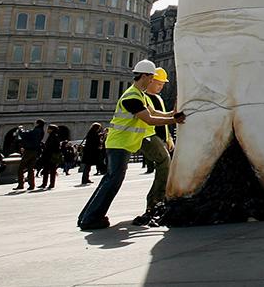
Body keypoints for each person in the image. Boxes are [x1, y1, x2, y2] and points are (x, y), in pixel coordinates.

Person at [77, 59, 185, 231]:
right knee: (113, 181)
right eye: (151, 78)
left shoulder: (139, 94)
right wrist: (174, 119)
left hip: (123, 144)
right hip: (119, 144)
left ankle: (86, 216)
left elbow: (154, 112)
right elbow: (148, 119)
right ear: (144, 76)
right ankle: (91, 218)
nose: (152, 81)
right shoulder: (132, 96)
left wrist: (171, 114)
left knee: (109, 180)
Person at [132, 67, 175, 226]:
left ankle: (158, 199)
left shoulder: (158, 98)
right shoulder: (143, 98)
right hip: (148, 136)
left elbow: (162, 115)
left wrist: (169, 137)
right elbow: (152, 118)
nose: (160, 86)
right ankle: (155, 201)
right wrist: (173, 119)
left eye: (162, 84)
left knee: (165, 165)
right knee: (164, 163)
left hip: (159, 137)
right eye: (158, 83)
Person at [13, 119, 45, 191]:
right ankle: (31, 185)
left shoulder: (36, 131)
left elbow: (26, 135)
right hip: (36, 151)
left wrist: (20, 130)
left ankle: (21, 184)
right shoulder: (41, 131)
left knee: (21, 168)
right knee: (30, 168)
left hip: (29, 151)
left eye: (36, 123)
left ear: (38, 123)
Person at [37, 123, 65, 189]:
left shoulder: (53, 136)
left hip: (50, 156)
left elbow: (51, 147)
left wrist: (44, 146)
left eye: (48, 129)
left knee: (48, 170)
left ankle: (47, 184)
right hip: (51, 156)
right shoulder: (54, 136)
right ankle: (49, 184)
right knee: (50, 170)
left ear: (51, 129)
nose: (47, 130)